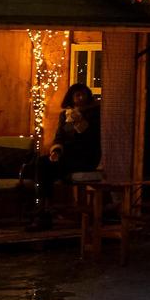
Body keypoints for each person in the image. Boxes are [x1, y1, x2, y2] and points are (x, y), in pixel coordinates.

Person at [35, 84, 100, 228]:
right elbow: (59, 137)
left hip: (86, 156)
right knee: (42, 163)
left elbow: (92, 137)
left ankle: (45, 213)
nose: (81, 98)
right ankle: (43, 208)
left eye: (83, 95)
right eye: (77, 95)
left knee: (48, 170)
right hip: (67, 156)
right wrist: (56, 152)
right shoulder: (65, 115)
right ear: (71, 98)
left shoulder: (94, 113)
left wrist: (80, 121)